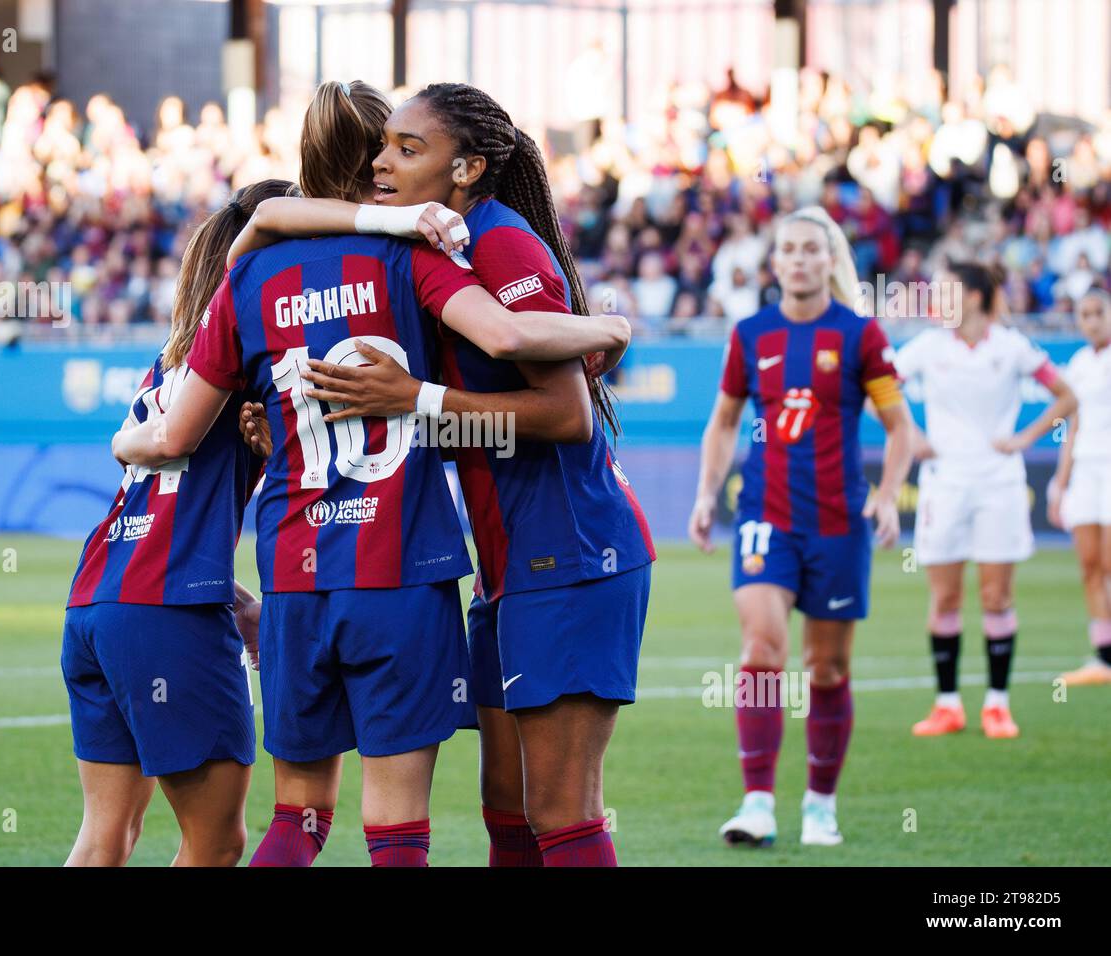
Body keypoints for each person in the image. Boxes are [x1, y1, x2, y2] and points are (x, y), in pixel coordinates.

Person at [114, 81, 633, 868]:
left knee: (553, 813)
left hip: (563, 549)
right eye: (384, 148)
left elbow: (568, 415)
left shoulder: (486, 243)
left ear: (466, 169)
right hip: (470, 566)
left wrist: (416, 403)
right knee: (505, 816)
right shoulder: (416, 256)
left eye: (408, 148)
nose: (390, 162)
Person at [61, 181, 291, 866]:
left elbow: (167, 494)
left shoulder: (166, 366)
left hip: (96, 602)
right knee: (216, 842)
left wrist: (233, 593)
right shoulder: (250, 356)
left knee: (105, 838)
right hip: (168, 610)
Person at [688, 206, 914, 847]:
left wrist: (891, 495)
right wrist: (708, 494)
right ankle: (757, 802)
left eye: (810, 249)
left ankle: (819, 805)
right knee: (761, 650)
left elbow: (901, 428)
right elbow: (725, 421)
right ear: (775, 261)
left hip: (840, 523)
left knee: (828, 669)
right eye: (786, 249)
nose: (797, 259)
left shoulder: (860, 336)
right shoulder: (751, 334)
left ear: (829, 259)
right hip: (765, 517)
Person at [897, 262, 1077, 737]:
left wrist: (1025, 439)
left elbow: (1065, 395)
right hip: (944, 484)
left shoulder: (1011, 346)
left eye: (945, 289)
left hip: (999, 483)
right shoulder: (929, 347)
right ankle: (947, 704)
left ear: (974, 296)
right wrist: (912, 435)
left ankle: (997, 704)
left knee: (997, 596)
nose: (936, 298)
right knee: (946, 597)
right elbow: (879, 387)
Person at [1050, 289, 1111, 685]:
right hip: (1086, 471)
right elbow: (1073, 425)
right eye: (1084, 314)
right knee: (1089, 565)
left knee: (1109, 563)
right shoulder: (1079, 364)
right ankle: (1103, 657)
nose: (1090, 321)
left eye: (1098, 313)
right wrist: (1060, 479)